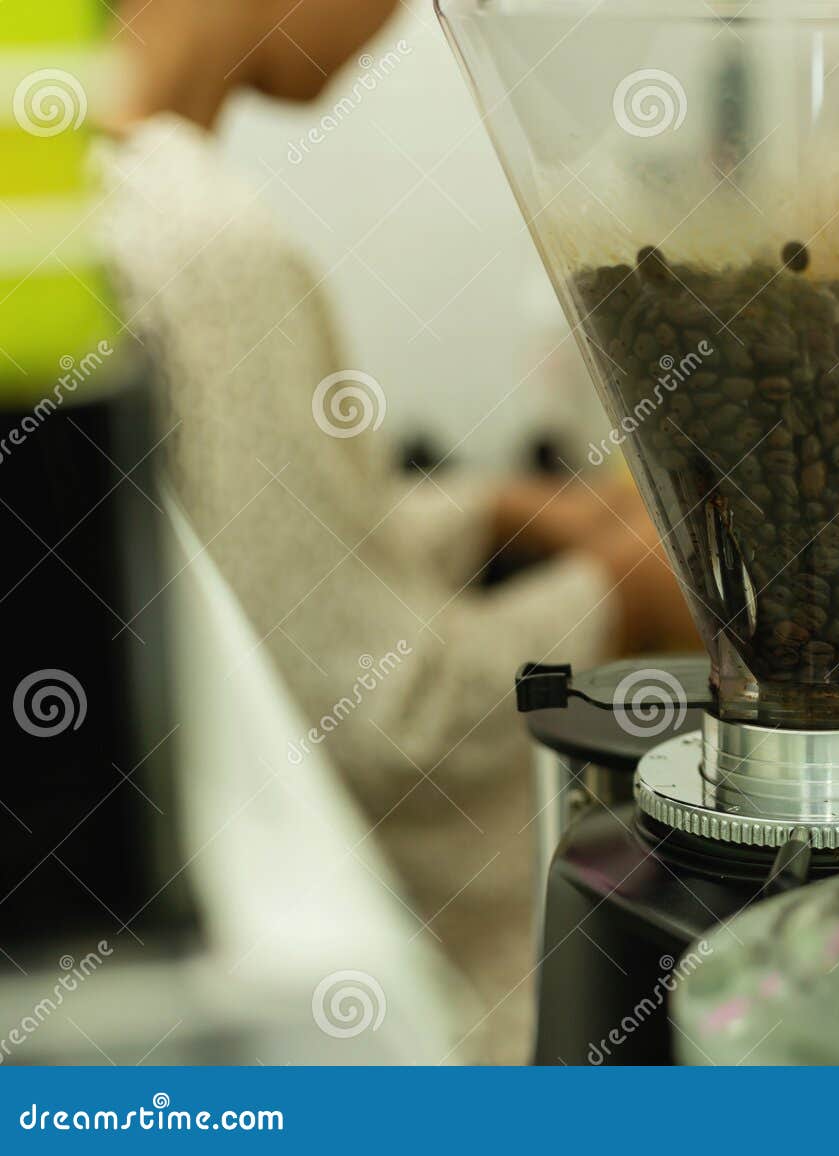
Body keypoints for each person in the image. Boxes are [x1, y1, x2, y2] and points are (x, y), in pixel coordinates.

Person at [100, 0, 697, 1062]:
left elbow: (233, 571)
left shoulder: (80, 190)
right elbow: (386, 720)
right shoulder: (205, 245)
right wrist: (634, 592)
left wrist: (494, 511)